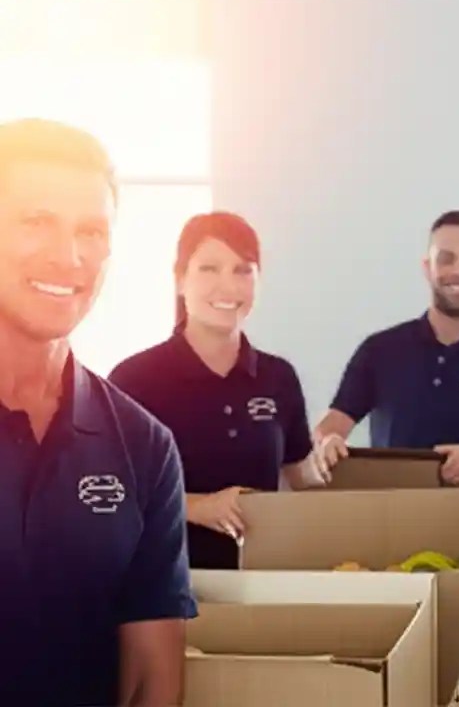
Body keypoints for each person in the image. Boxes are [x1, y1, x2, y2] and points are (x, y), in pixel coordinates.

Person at [0, 118, 195, 705]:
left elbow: (150, 678)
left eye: (92, 232)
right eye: (38, 223)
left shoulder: (144, 447)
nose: (70, 256)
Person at [109, 212, 334, 570]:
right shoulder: (133, 380)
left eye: (242, 270)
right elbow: (111, 494)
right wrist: (199, 507)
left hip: (263, 580)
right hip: (163, 584)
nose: (227, 287)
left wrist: (326, 457)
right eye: (209, 269)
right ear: (180, 279)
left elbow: (300, 477)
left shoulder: (279, 377)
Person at [312, 210, 459, 484]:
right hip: (388, 519)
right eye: (446, 259)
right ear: (427, 267)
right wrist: (326, 443)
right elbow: (329, 429)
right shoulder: (379, 350)